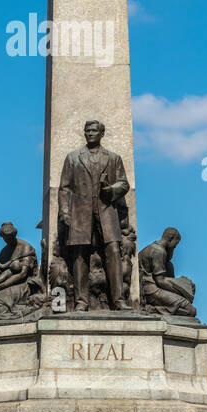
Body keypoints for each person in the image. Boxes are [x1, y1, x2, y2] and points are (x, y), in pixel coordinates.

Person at [58, 120, 131, 311]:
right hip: (81, 213)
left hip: (106, 211)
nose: (89, 134)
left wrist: (110, 189)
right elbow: (64, 188)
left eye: (93, 131)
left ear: (101, 133)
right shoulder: (73, 158)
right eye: (87, 131)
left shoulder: (113, 158)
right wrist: (64, 212)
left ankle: (118, 300)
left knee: (114, 251)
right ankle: (81, 301)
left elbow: (124, 184)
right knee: (80, 254)